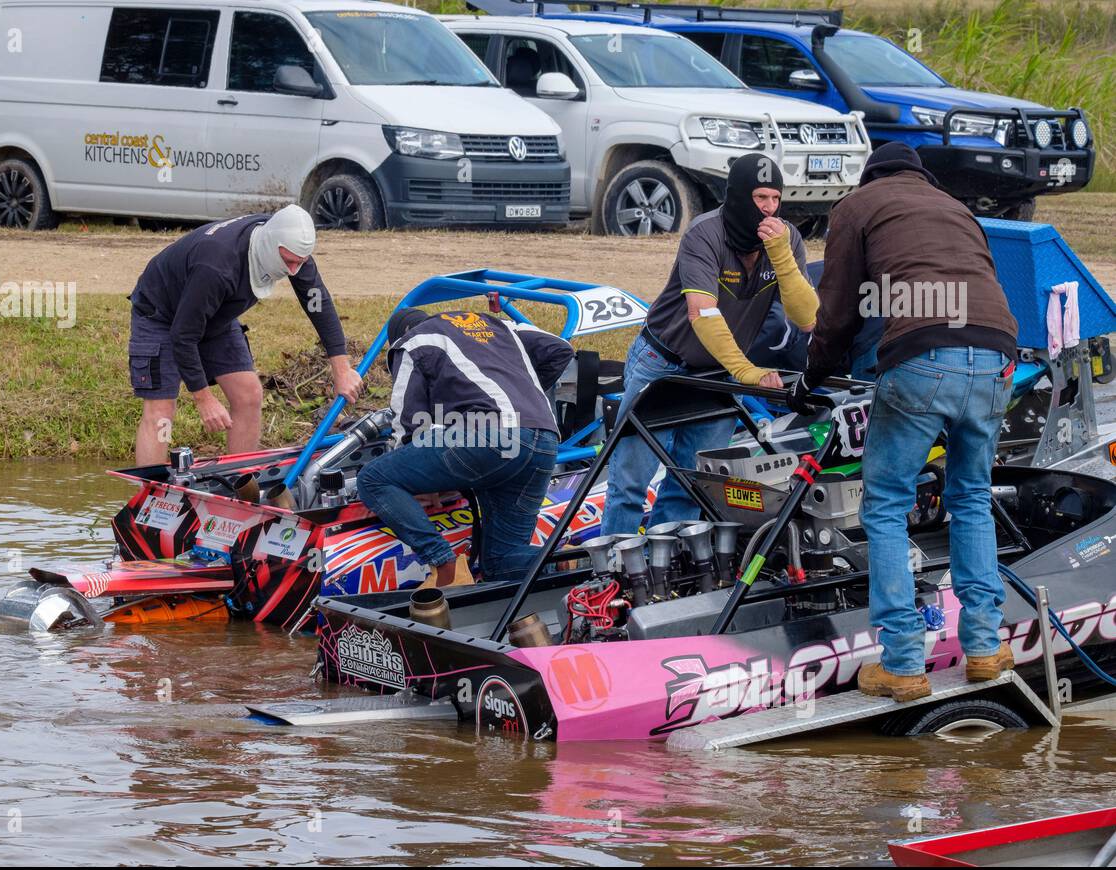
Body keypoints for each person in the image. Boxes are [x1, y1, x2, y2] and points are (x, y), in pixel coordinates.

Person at [788, 142, 1019, 701]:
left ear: (870, 177)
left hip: (922, 359)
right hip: (997, 355)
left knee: (887, 504)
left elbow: (839, 308)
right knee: (970, 496)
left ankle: (902, 662)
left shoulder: (857, 205)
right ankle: (985, 648)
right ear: (920, 175)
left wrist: (813, 375)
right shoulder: (955, 207)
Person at [603, 154, 819, 534]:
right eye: (759, 199)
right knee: (630, 484)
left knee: (691, 484)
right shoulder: (705, 232)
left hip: (717, 370)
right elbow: (701, 312)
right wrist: (745, 370)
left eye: (775, 199)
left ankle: (666, 571)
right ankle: (613, 577)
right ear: (737, 197)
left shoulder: (786, 239)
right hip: (663, 362)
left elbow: (807, 318)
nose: (769, 209)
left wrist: (783, 257)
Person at [128, 204, 362, 466]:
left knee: (249, 394)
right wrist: (204, 399)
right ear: (270, 246)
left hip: (215, 314)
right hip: (161, 314)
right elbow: (183, 335)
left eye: (301, 262)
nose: (294, 271)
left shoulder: (294, 249)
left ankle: (239, 481)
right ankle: (149, 495)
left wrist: (342, 370)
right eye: (289, 262)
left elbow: (318, 304)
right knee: (161, 411)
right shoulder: (216, 266)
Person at [356, 307, 573, 587]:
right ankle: (570, 560)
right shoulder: (497, 325)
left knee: (373, 478)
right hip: (544, 437)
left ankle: (443, 562)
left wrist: (420, 481)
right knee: (500, 562)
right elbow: (560, 348)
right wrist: (522, 401)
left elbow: (406, 428)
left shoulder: (411, 343)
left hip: (490, 436)